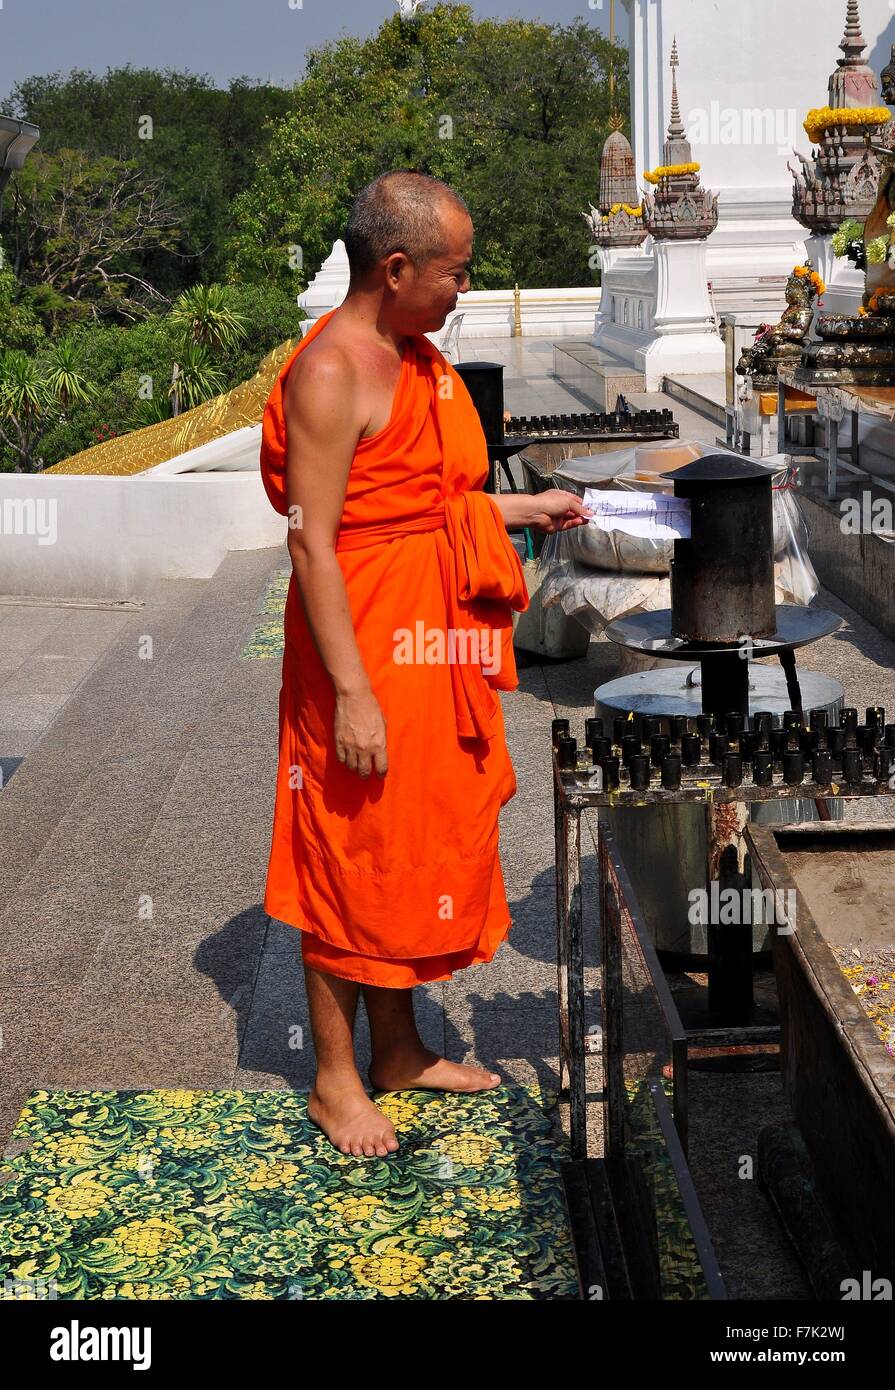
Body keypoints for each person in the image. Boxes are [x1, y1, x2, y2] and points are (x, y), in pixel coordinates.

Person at [259, 170, 589, 1159]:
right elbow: (314, 541)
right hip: (356, 644)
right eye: (455, 274)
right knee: (347, 852)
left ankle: (397, 1047)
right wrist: (352, 695)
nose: (463, 292)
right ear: (395, 267)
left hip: (429, 634)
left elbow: (430, 500)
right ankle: (332, 1076)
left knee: (417, 840)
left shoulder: (414, 357)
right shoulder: (333, 370)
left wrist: (530, 508)